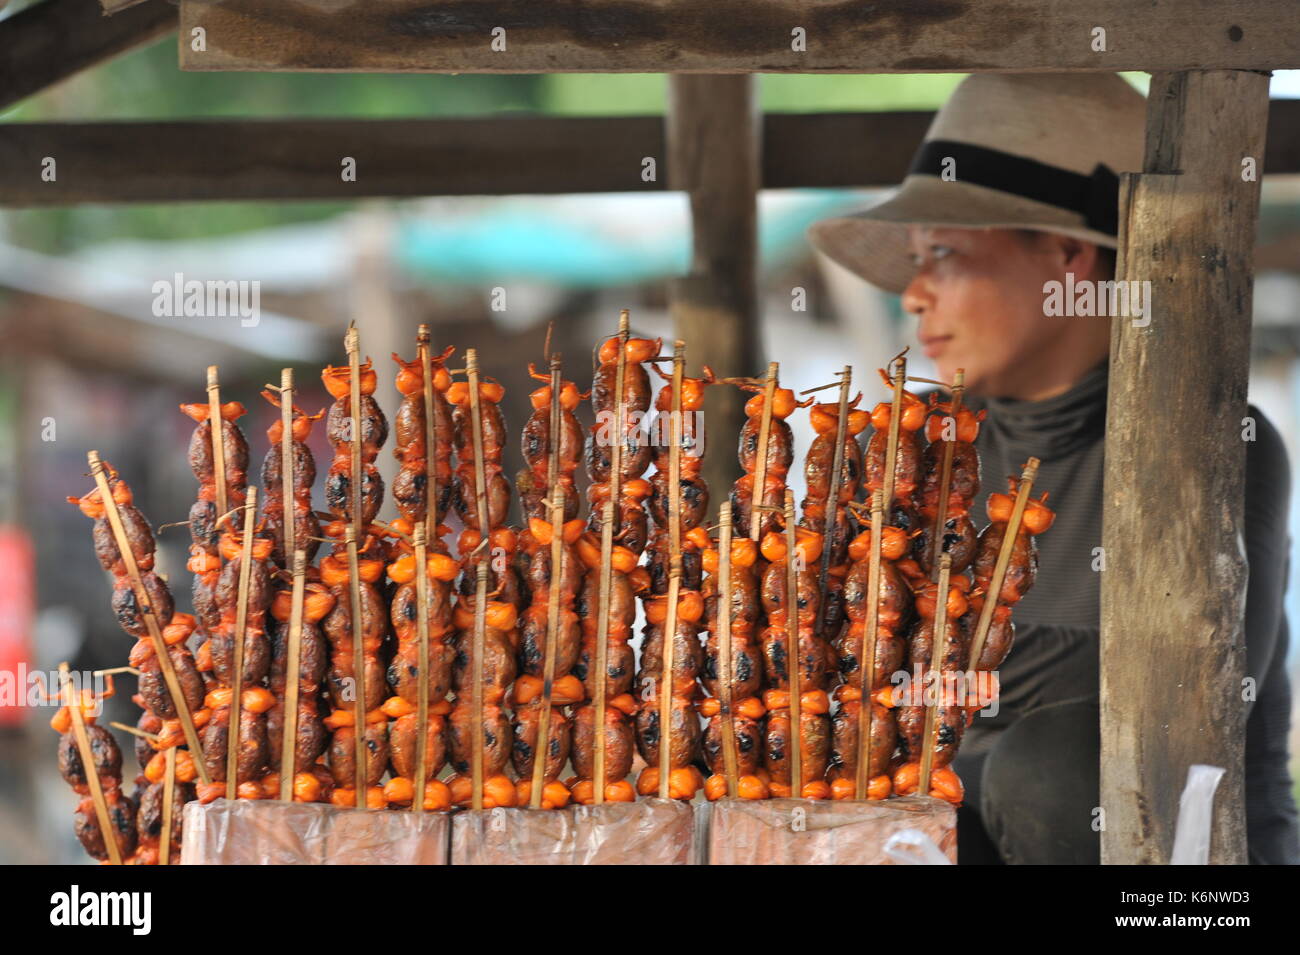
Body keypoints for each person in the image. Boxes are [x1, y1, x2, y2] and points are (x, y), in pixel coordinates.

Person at [808, 72, 1299, 864]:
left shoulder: (1220, 441)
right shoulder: (923, 457)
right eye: (913, 260)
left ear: (1070, 256)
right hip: (952, 832)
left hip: (1173, 881)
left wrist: (918, 676)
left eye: (944, 253)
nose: (916, 294)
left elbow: (1167, 696)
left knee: (1058, 764)